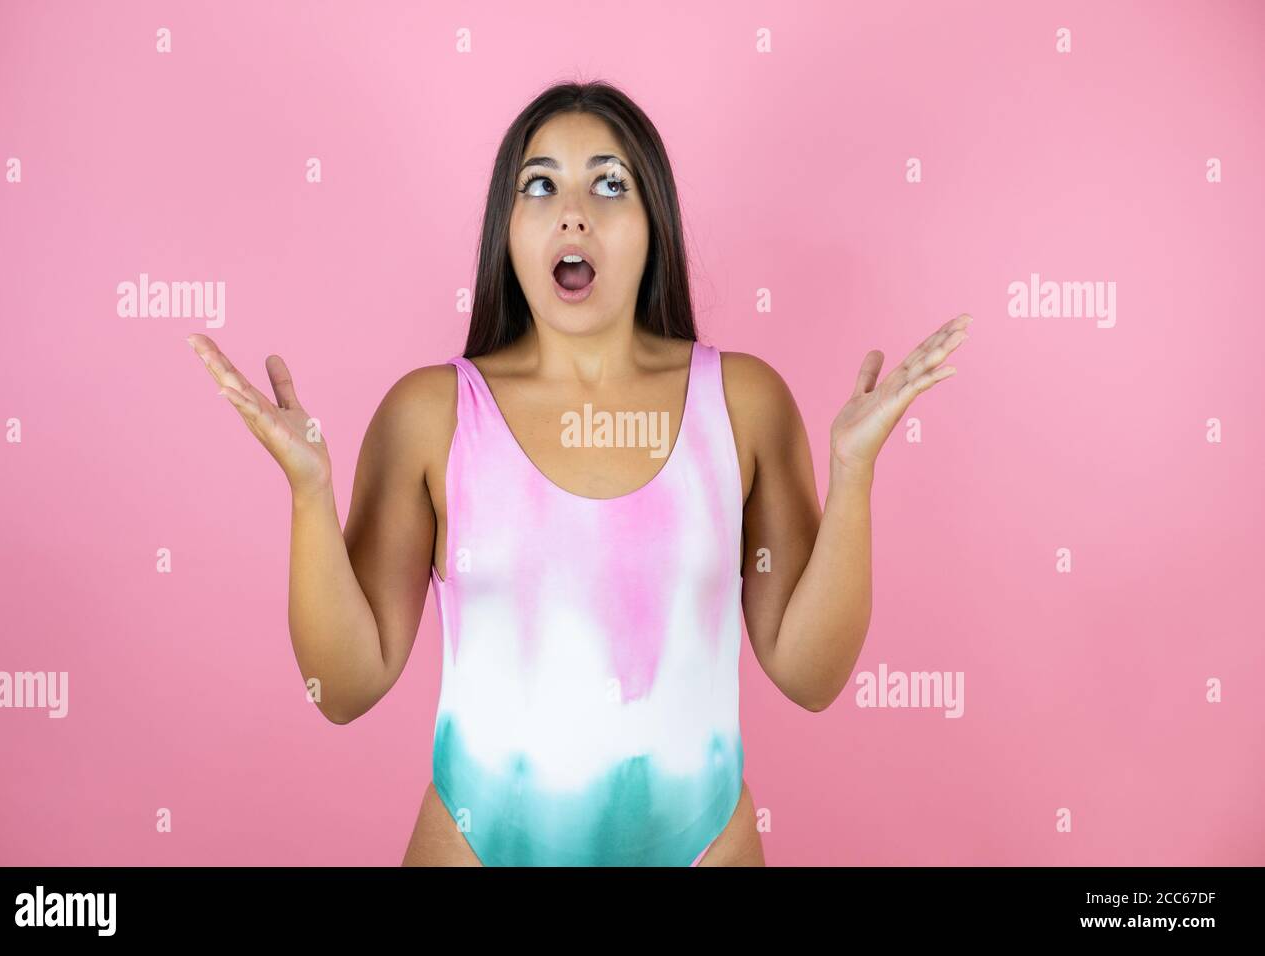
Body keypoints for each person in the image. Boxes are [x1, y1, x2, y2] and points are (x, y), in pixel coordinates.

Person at [186, 80, 970, 866]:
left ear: (652, 222)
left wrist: (853, 470)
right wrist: (310, 492)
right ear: (508, 229)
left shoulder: (744, 402)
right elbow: (344, 689)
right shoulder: (431, 415)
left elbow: (811, 675)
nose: (573, 211)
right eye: (539, 184)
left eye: (608, 182)